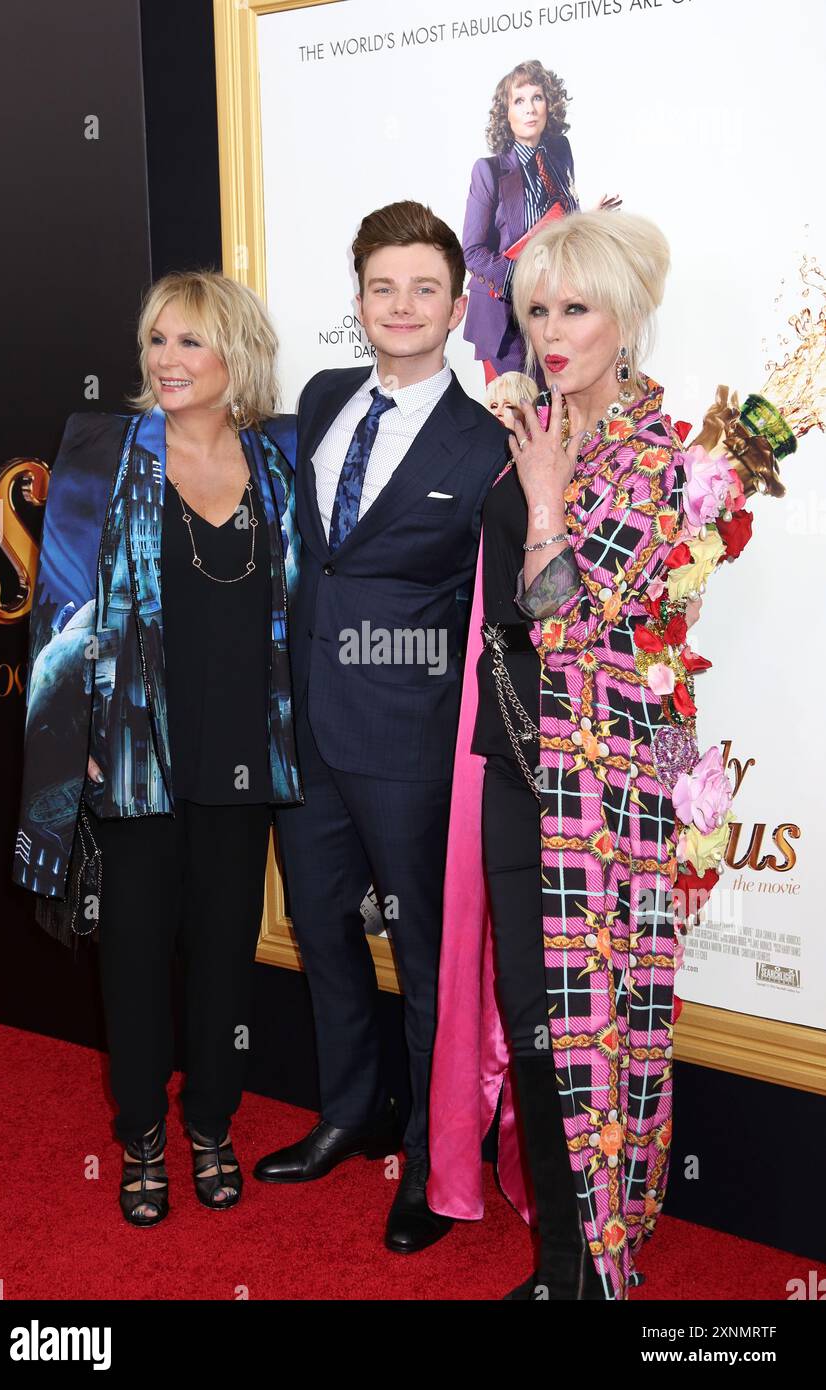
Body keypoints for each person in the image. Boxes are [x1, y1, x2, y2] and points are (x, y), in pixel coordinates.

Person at [427, 210, 701, 1299]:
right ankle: (561, 1259)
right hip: (512, 763)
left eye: (572, 309)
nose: (547, 329)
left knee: (598, 1022)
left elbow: (568, 622)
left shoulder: (655, 453)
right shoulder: (535, 420)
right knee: (536, 1025)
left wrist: (543, 500)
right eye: (534, 307)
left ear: (623, 318)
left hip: (602, 786)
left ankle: (594, 1264)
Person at [12, 270, 302, 1226]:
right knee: (134, 957)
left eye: (189, 342)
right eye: (156, 342)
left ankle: (211, 1122)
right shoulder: (101, 453)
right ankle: (141, 1135)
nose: (166, 362)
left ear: (237, 357)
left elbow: (300, 611)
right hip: (131, 754)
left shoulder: (278, 464)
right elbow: (58, 615)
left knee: (223, 953)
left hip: (242, 757)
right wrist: (75, 744)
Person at [253, 201, 510, 1254]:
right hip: (304, 728)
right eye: (380, 286)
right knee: (321, 932)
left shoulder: (488, 438)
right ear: (357, 300)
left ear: (457, 303)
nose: (400, 306)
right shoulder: (317, 401)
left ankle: (434, 1157)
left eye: (423, 288)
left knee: (425, 956)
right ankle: (353, 1111)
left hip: (411, 743)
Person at [462, 59, 620, 387]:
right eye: (519, 100)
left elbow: (559, 222)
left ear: (549, 104)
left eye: (537, 98)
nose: (530, 108)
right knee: (518, 408)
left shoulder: (559, 154)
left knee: (554, 404)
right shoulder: (488, 170)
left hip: (550, 306)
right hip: (503, 312)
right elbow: (472, 252)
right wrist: (523, 280)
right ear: (505, 113)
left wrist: (589, 222)